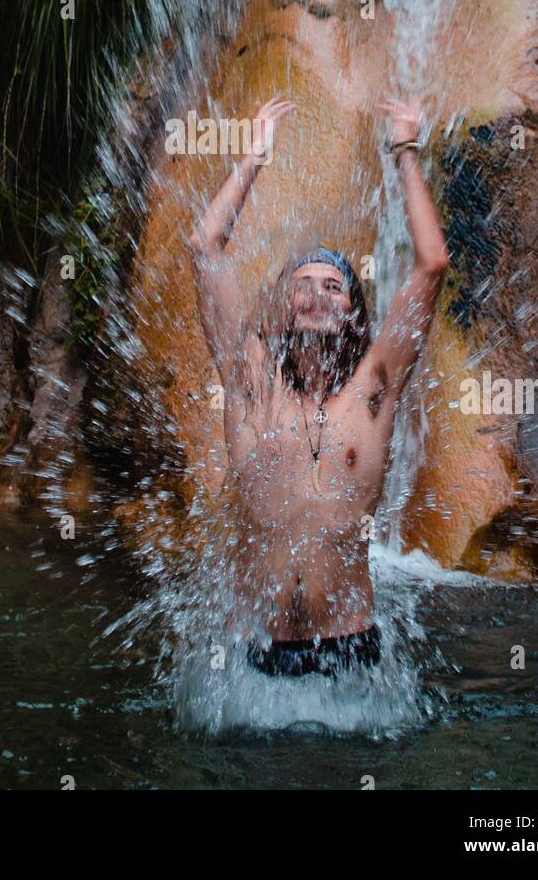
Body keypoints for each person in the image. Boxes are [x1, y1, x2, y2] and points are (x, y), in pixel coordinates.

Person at [187, 95, 449, 677]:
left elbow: (432, 263)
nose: (316, 293)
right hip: (254, 657)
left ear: (353, 312)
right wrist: (254, 155)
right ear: (281, 306)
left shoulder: (373, 392)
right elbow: (205, 247)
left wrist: (405, 148)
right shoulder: (250, 382)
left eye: (334, 286)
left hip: (350, 658)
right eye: (302, 283)